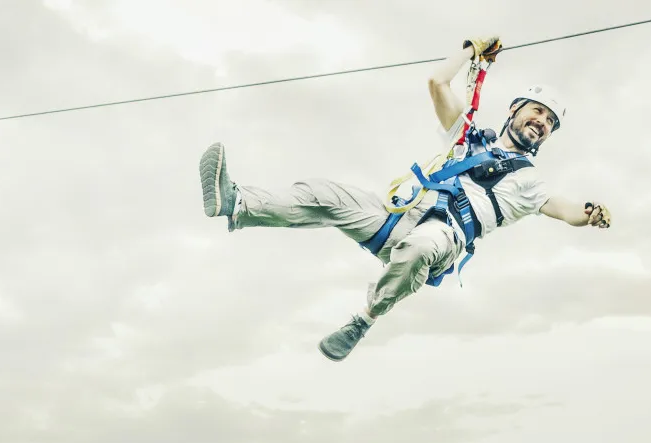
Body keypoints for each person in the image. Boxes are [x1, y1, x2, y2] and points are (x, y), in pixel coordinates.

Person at [196, 35, 613, 362]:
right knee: (323, 193)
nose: (541, 122)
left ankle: (364, 321)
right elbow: (437, 82)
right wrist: (472, 50)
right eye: (536, 111)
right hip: (398, 213)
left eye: (549, 122)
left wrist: (588, 214)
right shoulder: (467, 137)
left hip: (443, 237)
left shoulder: (528, 181)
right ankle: (235, 203)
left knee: (420, 246)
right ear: (515, 110)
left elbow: (563, 209)